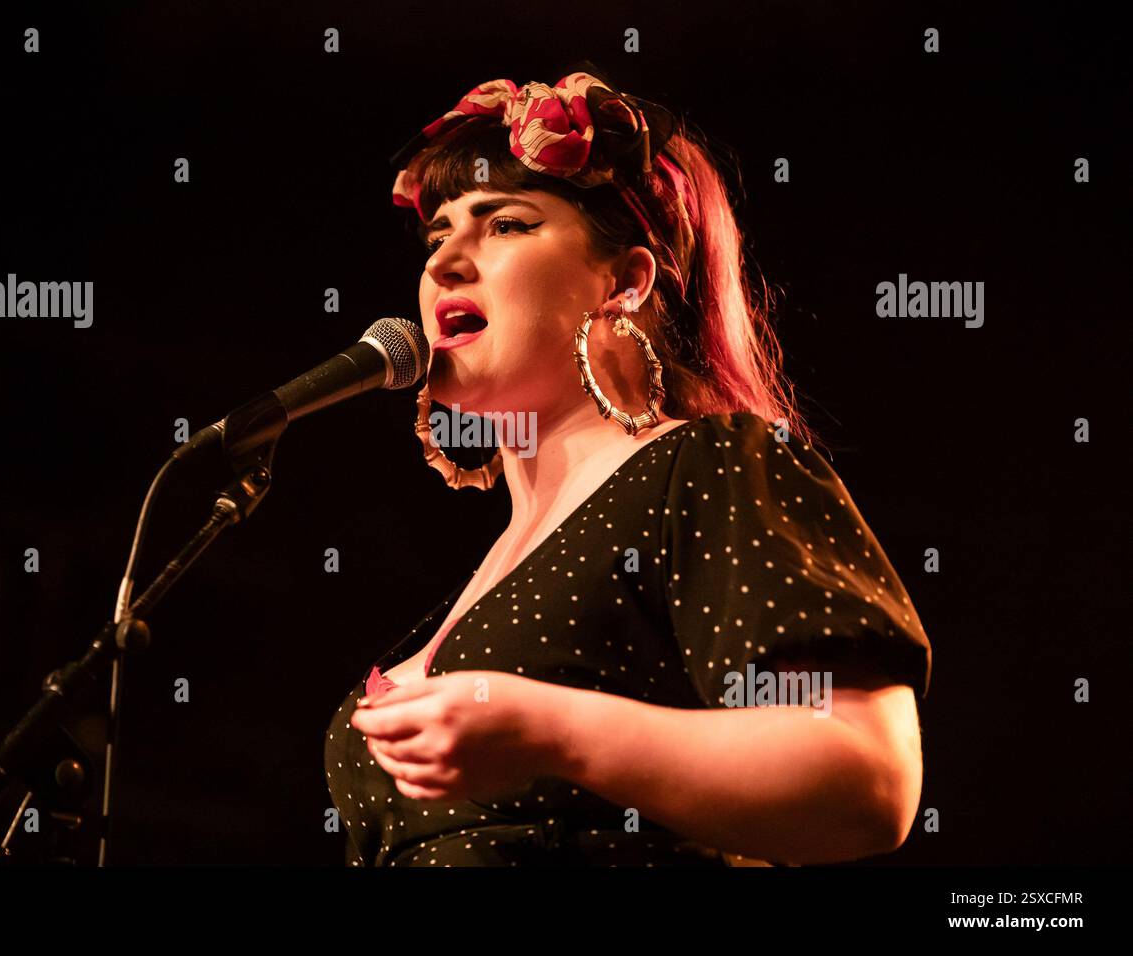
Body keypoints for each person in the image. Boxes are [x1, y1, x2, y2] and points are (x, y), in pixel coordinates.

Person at [323, 66, 932, 867]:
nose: (445, 262)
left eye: (504, 224)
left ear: (625, 282)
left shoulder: (708, 466)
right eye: (438, 235)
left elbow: (866, 778)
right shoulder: (471, 588)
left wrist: (552, 730)